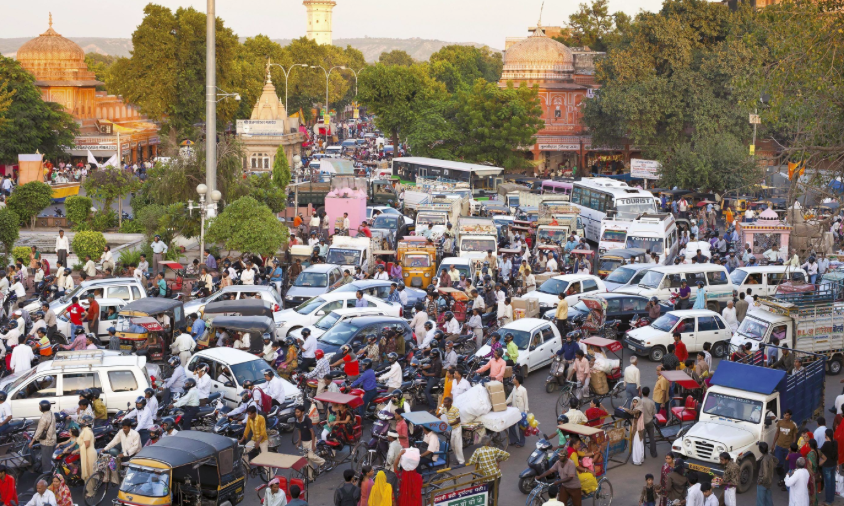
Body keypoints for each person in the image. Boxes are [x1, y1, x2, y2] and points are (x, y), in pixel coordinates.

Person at [466, 438, 510, 502]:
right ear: (489, 443)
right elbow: (507, 455)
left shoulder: (478, 451)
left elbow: (471, 462)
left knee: (486, 493)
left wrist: (478, 460)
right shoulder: (493, 449)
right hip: (496, 475)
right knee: (495, 494)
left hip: (486, 477)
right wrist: (499, 460)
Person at [294, 405, 325, 479]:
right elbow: (299, 431)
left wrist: (313, 445)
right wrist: (299, 442)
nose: (296, 413)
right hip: (304, 442)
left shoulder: (307, 420)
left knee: (311, 456)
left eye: (298, 412)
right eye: (296, 412)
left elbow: (312, 432)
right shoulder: (297, 421)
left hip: (311, 440)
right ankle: (311, 477)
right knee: (306, 460)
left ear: (302, 412)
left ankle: (322, 462)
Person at [774, 409, 799, 480]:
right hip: (779, 446)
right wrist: (773, 444)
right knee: (778, 464)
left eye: (787, 415)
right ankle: (781, 477)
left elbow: (794, 437)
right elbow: (777, 433)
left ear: (790, 416)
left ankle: (784, 480)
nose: (785, 416)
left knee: (787, 465)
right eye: (784, 414)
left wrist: (792, 448)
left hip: (788, 448)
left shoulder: (793, 425)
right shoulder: (780, 422)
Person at [506, 375, 528, 448]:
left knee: (521, 428)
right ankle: (513, 440)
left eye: (514, 378)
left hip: (521, 412)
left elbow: (526, 401)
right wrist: (503, 404)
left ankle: (521, 442)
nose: (513, 379)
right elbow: (510, 398)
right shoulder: (514, 388)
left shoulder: (523, 390)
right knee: (511, 426)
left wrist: (525, 412)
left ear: (517, 380)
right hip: (514, 411)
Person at [819, 428, 837, 505]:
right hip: (833, 464)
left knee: (828, 483)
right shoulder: (835, 442)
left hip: (827, 466)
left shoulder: (826, 443)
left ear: (826, 435)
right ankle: (831, 499)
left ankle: (828, 501)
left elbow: (820, 451)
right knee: (832, 482)